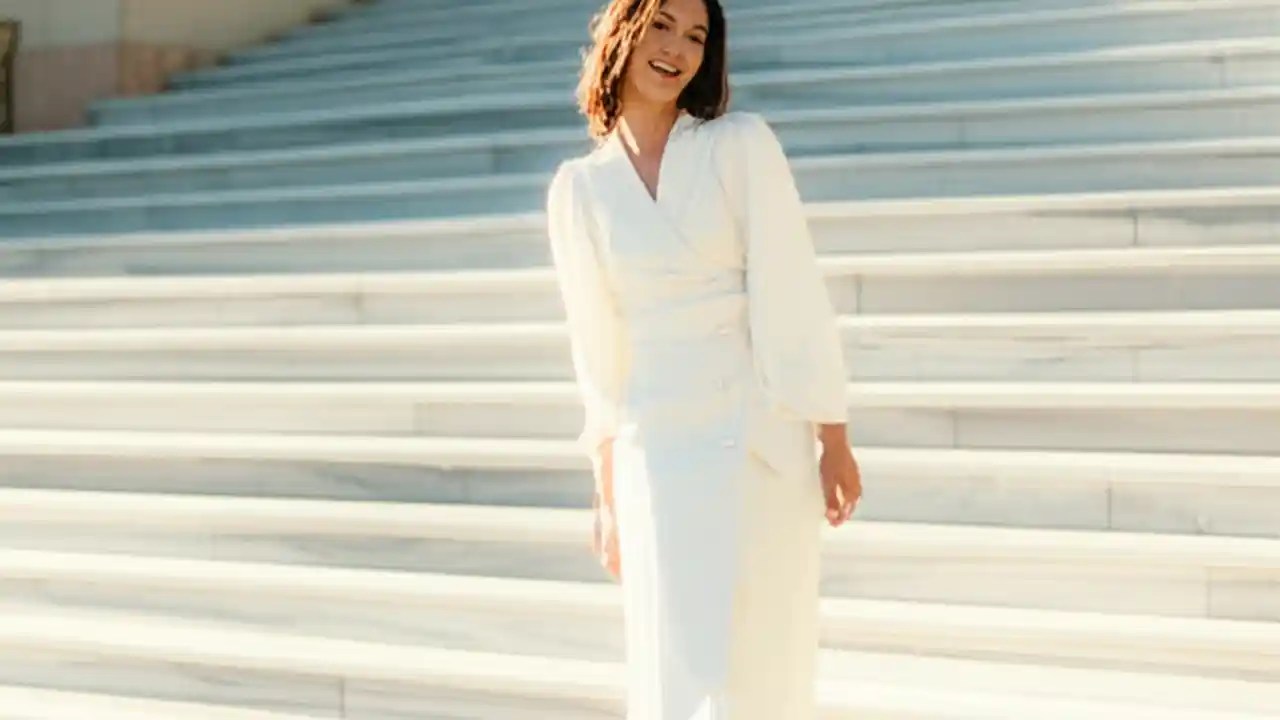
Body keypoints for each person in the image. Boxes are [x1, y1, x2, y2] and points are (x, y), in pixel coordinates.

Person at [545, 0, 863, 717]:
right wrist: (605, 491)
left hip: (759, 445)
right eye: (662, 25)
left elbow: (792, 287)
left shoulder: (740, 145)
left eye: (696, 36)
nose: (677, 49)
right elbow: (597, 349)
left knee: (763, 666)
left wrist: (831, 434)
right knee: (676, 670)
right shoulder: (579, 190)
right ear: (623, 31)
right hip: (655, 457)